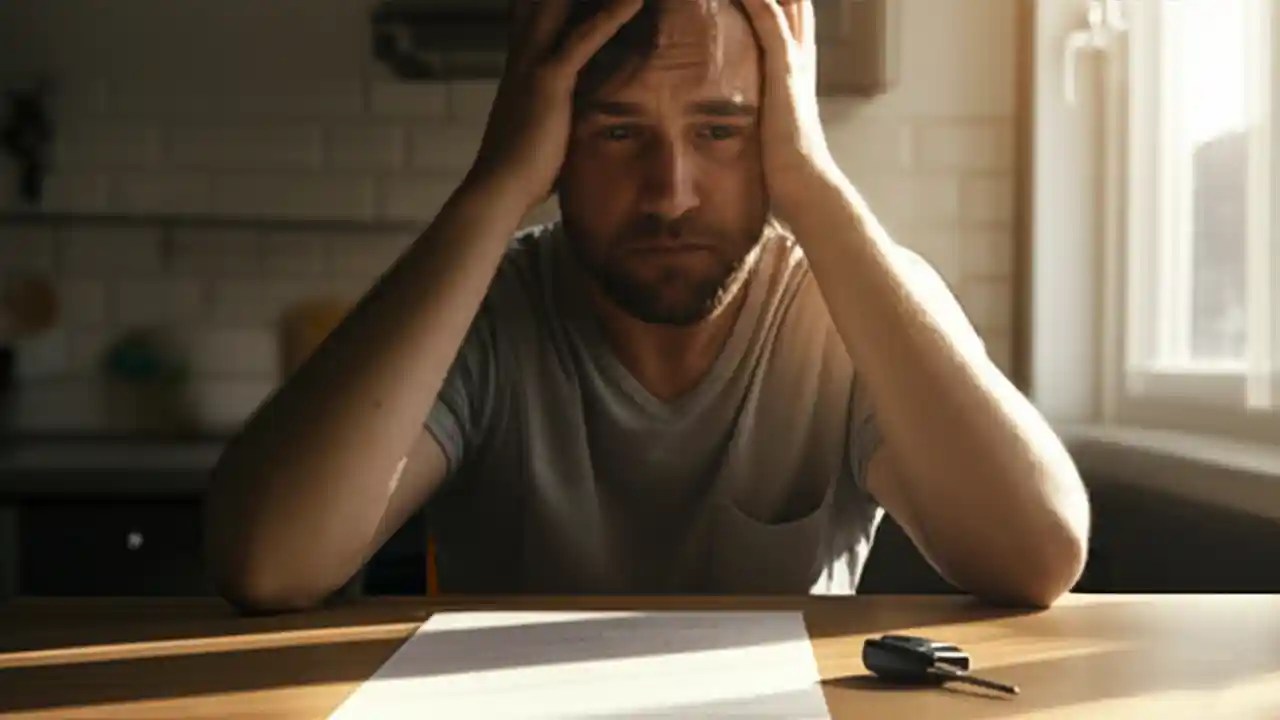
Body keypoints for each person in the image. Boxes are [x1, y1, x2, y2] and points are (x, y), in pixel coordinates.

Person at [205, 0, 1090, 612]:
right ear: (552, 139)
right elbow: (270, 563)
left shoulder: (849, 310)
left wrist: (816, 187)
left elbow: (1038, 552)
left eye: (720, 130)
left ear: (779, 129)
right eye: (618, 132)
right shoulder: (485, 308)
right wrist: (495, 184)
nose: (670, 193)